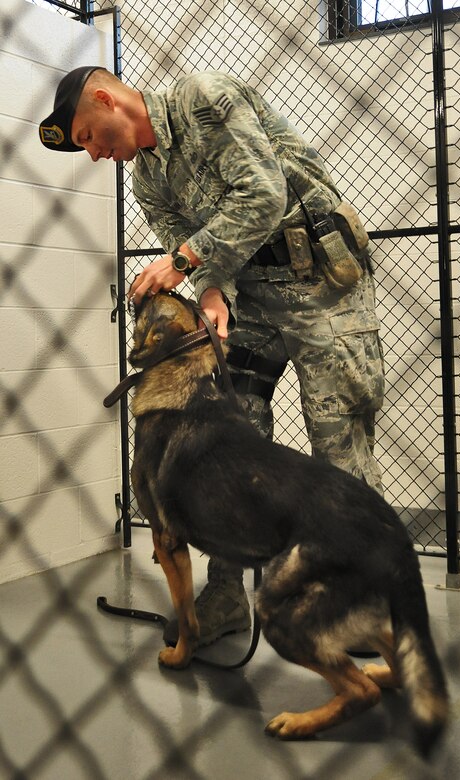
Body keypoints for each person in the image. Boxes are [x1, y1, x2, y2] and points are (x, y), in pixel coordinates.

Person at [40, 66, 385, 650]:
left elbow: (263, 192)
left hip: (320, 285)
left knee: (338, 441)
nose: (96, 155)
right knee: (223, 446)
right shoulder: (146, 174)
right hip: (248, 296)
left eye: (89, 137)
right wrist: (209, 287)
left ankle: (367, 599)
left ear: (105, 98)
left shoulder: (205, 100)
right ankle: (226, 595)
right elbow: (195, 247)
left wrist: (184, 261)